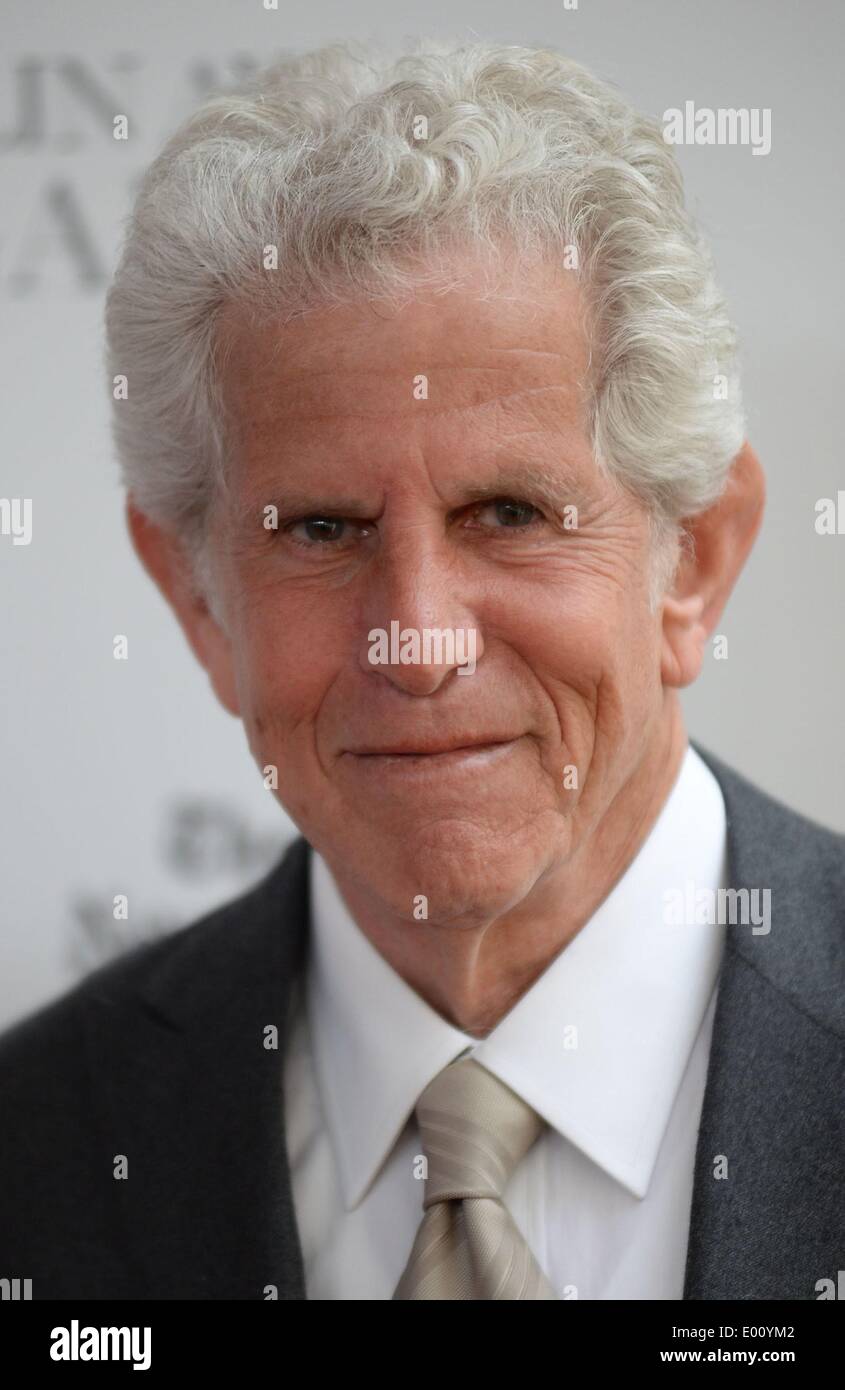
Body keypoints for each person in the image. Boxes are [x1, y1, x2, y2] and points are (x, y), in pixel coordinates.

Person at [0, 39, 841, 1301]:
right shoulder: (39, 1140)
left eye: (507, 512)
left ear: (693, 564)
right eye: (321, 531)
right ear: (197, 597)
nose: (418, 638)